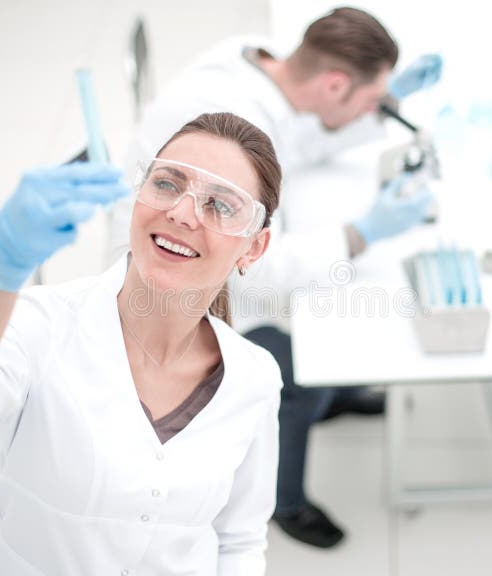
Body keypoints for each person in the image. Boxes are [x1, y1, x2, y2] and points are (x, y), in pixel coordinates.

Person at [109, 7, 442, 548]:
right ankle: (285, 501)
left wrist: (383, 102)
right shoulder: (236, 119)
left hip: (204, 248)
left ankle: (337, 396)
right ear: (335, 84)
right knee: (302, 357)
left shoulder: (258, 58)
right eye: (366, 97)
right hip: (166, 286)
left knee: (330, 308)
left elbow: (294, 145)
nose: (372, 108)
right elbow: (254, 275)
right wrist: (362, 233)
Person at [0, 112, 285, 575]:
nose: (182, 212)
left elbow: (239, 539)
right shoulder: (41, 325)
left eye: (221, 205)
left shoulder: (255, 376)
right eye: (167, 183)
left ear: (253, 248)